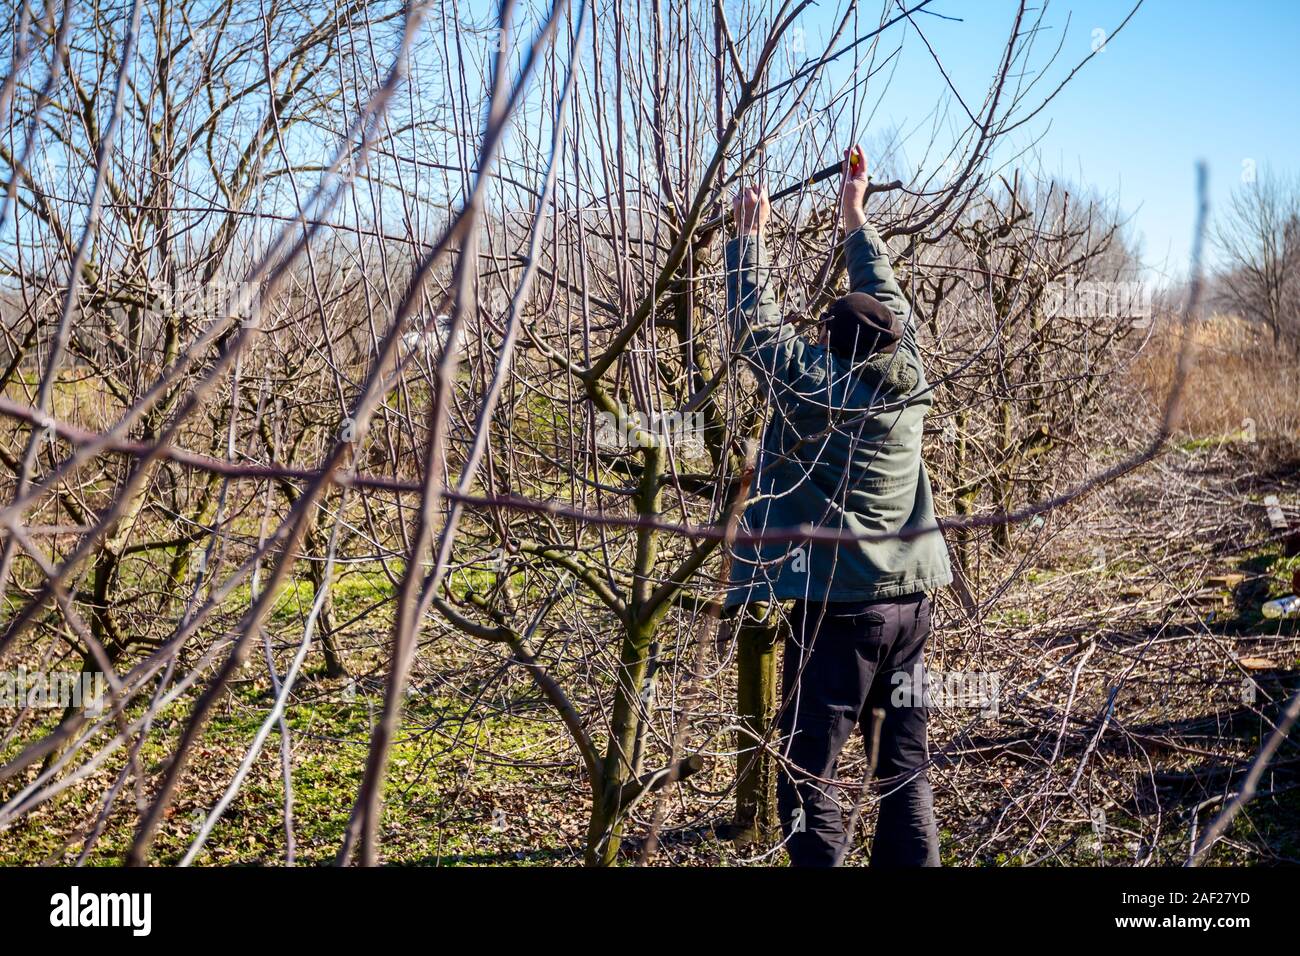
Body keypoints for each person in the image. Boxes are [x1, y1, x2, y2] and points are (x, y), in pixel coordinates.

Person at [723, 145, 952, 867]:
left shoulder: (816, 391)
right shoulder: (910, 377)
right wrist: (855, 218)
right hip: (914, 605)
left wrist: (747, 239)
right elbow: (889, 302)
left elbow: (756, 331)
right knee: (902, 767)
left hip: (842, 615)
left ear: (833, 346)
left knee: (806, 774)